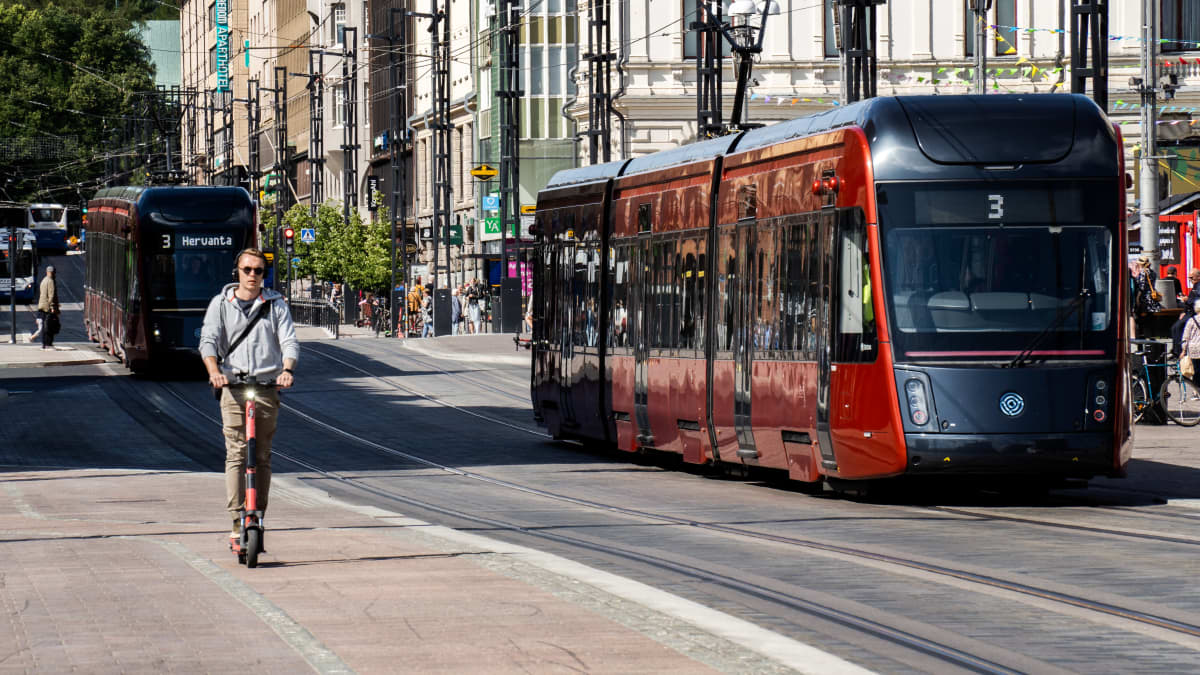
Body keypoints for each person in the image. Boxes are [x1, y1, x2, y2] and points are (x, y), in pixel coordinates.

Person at [199, 248, 299, 546]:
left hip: (266, 385)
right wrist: (214, 371)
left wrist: (287, 370)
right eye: (247, 269)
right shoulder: (220, 303)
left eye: (258, 270)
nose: (253, 275)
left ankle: (259, 515)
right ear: (237, 272)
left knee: (262, 455)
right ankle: (235, 519)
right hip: (233, 386)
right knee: (237, 453)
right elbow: (208, 341)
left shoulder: (275, 304)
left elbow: (289, 341)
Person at [1133, 255, 1162, 338]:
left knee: (1141, 319)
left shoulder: (1143, 273)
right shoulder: (1153, 272)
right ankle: (1152, 336)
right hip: (1152, 298)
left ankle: (1143, 336)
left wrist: (1137, 299)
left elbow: (1141, 287)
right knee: (1151, 319)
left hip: (1144, 299)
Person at [33, 266, 59, 350]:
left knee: (45, 326)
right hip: (47, 307)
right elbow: (51, 295)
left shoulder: (43, 280)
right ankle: (48, 344)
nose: (55, 274)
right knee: (49, 326)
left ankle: (44, 344)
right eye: (54, 272)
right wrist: (52, 307)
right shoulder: (50, 281)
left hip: (42, 305)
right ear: (52, 272)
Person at [1181, 299, 1200, 382]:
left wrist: (1183, 350)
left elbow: (1186, 336)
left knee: (1195, 370)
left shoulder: (1192, 320)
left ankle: (1196, 387)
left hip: (1194, 348)